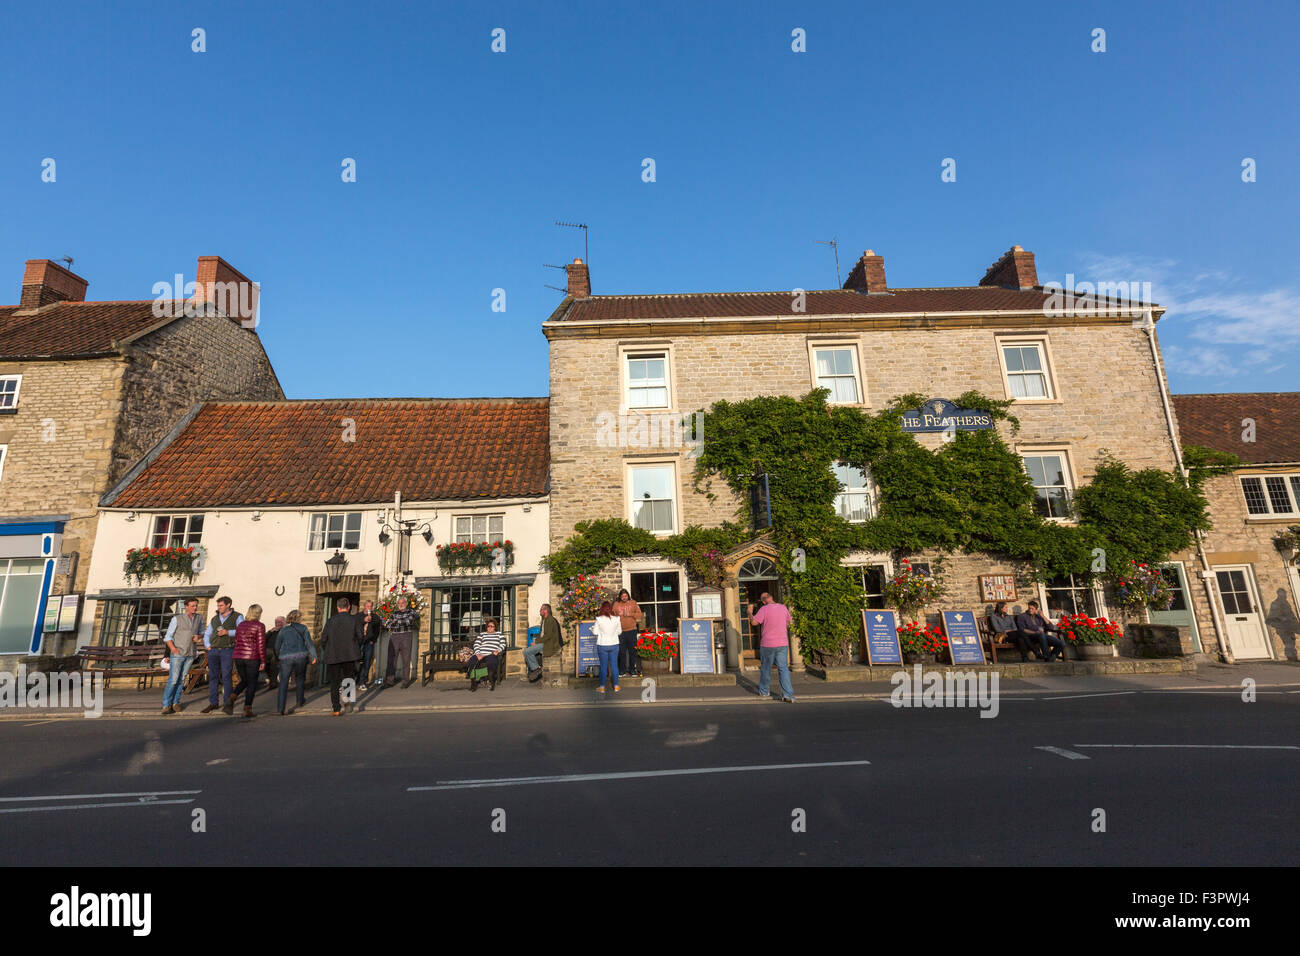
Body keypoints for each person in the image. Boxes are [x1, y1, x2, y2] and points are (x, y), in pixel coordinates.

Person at [749, 592, 795, 702]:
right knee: (783, 669)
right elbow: (788, 623)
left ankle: (764, 692)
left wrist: (750, 613)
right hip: (782, 643)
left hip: (767, 644)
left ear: (764, 601)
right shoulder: (783, 608)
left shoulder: (764, 609)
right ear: (772, 597)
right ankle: (788, 695)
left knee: (766, 669)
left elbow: (754, 622)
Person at [319, 597, 362, 715]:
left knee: (334, 682)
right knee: (348, 679)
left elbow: (323, 639)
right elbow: (360, 637)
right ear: (348, 607)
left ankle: (336, 708)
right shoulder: (354, 620)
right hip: (349, 654)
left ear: (338, 608)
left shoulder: (330, 621)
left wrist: (327, 649)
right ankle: (347, 702)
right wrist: (355, 647)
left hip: (333, 654)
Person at [161, 598, 203, 715]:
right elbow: (168, 637)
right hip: (178, 654)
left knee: (182, 679)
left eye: (196, 606)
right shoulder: (177, 619)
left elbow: (201, 633)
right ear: (186, 606)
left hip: (190, 654)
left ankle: (176, 703)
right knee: (174, 680)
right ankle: (166, 704)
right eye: (193, 606)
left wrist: (198, 637)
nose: (195, 608)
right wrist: (173, 649)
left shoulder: (199, 618)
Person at [201, 596, 243, 714]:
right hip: (213, 650)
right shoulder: (215, 619)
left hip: (227, 650)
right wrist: (208, 646)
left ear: (228, 605)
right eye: (218, 606)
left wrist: (228, 632)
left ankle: (227, 703)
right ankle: (213, 703)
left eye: (221, 605)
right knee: (213, 677)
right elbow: (207, 633)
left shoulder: (237, 616)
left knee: (226, 676)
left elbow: (241, 631)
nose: (219, 608)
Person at [274, 609, 318, 715]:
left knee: (284, 682)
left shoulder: (283, 630)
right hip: (301, 656)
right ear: (299, 618)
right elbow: (309, 644)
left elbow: (277, 646)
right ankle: (299, 701)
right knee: (300, 678)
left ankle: (280, 708)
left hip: (286, 657)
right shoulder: (303, 628)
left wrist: (277, 657)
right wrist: (314, 656)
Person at [232, 605, 267, 718]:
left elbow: (236, 640)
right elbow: (261, 645)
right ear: (258, 613)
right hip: (252, 658)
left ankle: (231, 699)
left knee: (244, 680)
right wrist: (263, 661)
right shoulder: (259, 626)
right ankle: (247, 709)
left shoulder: (241, 625)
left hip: (238, 656)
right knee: (252, 683)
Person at [385, 596, 418, 688]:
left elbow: (408, 622)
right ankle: (389, 681)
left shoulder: (411, 611)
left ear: (406, 604)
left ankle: (405, 682)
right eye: (399, 603)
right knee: (391, 659)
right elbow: (388, 625)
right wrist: (397, 622)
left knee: (406, 659)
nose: (401, 605)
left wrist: (396, 621)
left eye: (402, 603)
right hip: (394, 636)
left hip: (406, 636)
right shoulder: (394, 613)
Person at [466, 618, 507, 692]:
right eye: (488, 626)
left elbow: (503, 644)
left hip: (491, 654)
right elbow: (476, 644)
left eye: (492, 626)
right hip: (480, 653)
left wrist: (498, 650)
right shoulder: (482, 634)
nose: (490, 628)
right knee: (472, 662)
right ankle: (473, 684)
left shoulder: (499, 634)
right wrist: (478, 653)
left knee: (491, 663)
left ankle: (491, 682)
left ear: (495, 627)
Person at [524, 603, 562, 682]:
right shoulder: (544, 620)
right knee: (528, 650)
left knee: (527, 652)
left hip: (549, 644)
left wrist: (536, 642)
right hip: (544, 642)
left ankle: (536, 669)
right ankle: (535, 668)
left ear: (546, 611)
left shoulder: (550, 620)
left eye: (541, 609)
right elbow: (542, 634)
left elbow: (548, 635)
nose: (539, 611)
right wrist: (535, 639)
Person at [612, 588, 644, 678]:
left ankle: (632, 670)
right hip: (620, 632)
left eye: (625, 596)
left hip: (632, 630)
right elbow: (612, 615)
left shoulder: (633, 603)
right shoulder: (616, 604)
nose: (624, 597)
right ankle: (622, 671)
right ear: (620, 596)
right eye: (622, 596)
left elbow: (639, 614)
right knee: (621, 652)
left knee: (632, 651)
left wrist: (631, 614)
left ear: (628, 596)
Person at [592, 601, 622, 694]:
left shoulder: (599, 619)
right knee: (614, 666)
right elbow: (619, 632)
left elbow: (595, 632)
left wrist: (593, 628)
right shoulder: (617, 619)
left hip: (602, 645)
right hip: (614, 644)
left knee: (603, 667)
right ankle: (616, 686)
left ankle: (602, 687)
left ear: (602, 608)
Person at [356, 600, 382, 691]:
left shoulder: (375, 617)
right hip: (358, 643)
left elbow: (377, 631)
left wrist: (373, 641)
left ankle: (362, 682)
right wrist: (364, 620)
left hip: (369, 643)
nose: (369, 608)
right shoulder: (358, 616)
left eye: (370, 606)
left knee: (367, 662)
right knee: (356, 662)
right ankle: (355, 680)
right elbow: (355, 626)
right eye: (367, 606)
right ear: (364, 606)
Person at [264, 615, 285, 689]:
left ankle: (273, 682)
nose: (277, 624)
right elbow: (263, 640)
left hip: (278, 652)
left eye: (279, 622)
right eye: (276, 622)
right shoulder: (272, 631)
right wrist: (269, 632)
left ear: (284, 623)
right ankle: (273, 681)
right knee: (265, 664)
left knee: (274, 662)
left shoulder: (285, 631)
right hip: (267, 651)